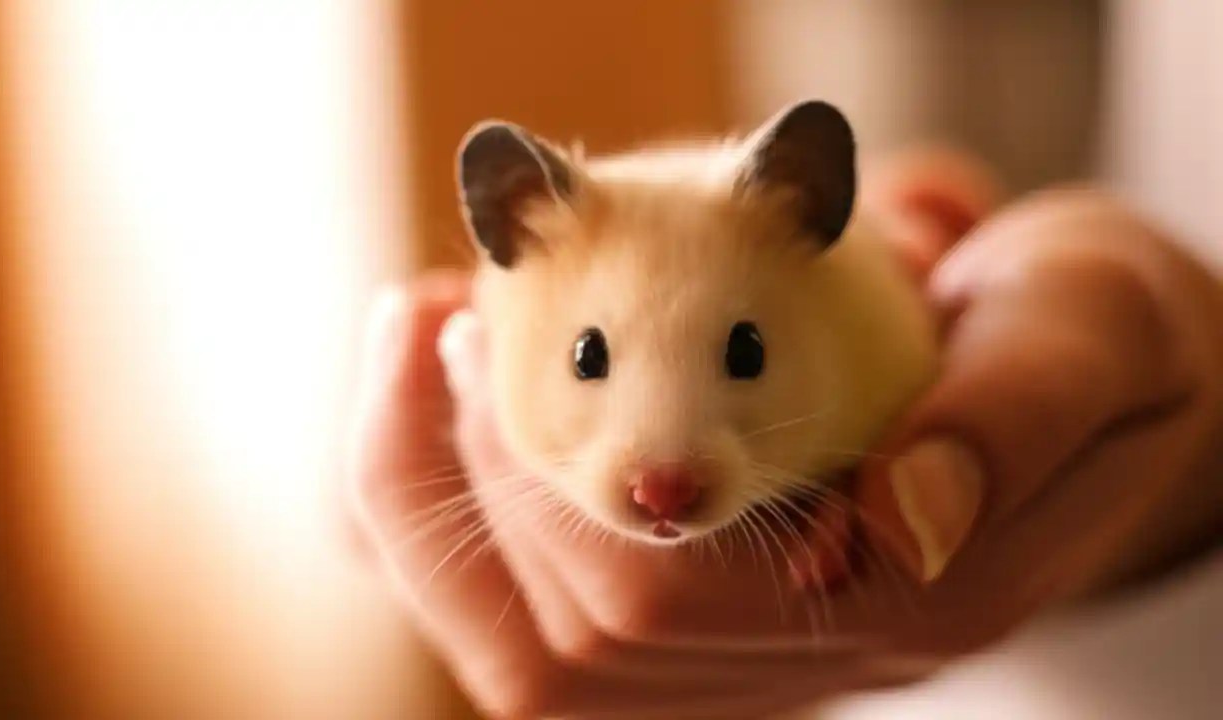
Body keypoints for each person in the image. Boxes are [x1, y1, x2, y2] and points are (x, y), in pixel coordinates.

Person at [347, 137, 1223, 719]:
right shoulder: (501, 318)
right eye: (589, 360)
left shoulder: (863, 316)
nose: (664, 478)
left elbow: (906, 362)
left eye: (743, 352)